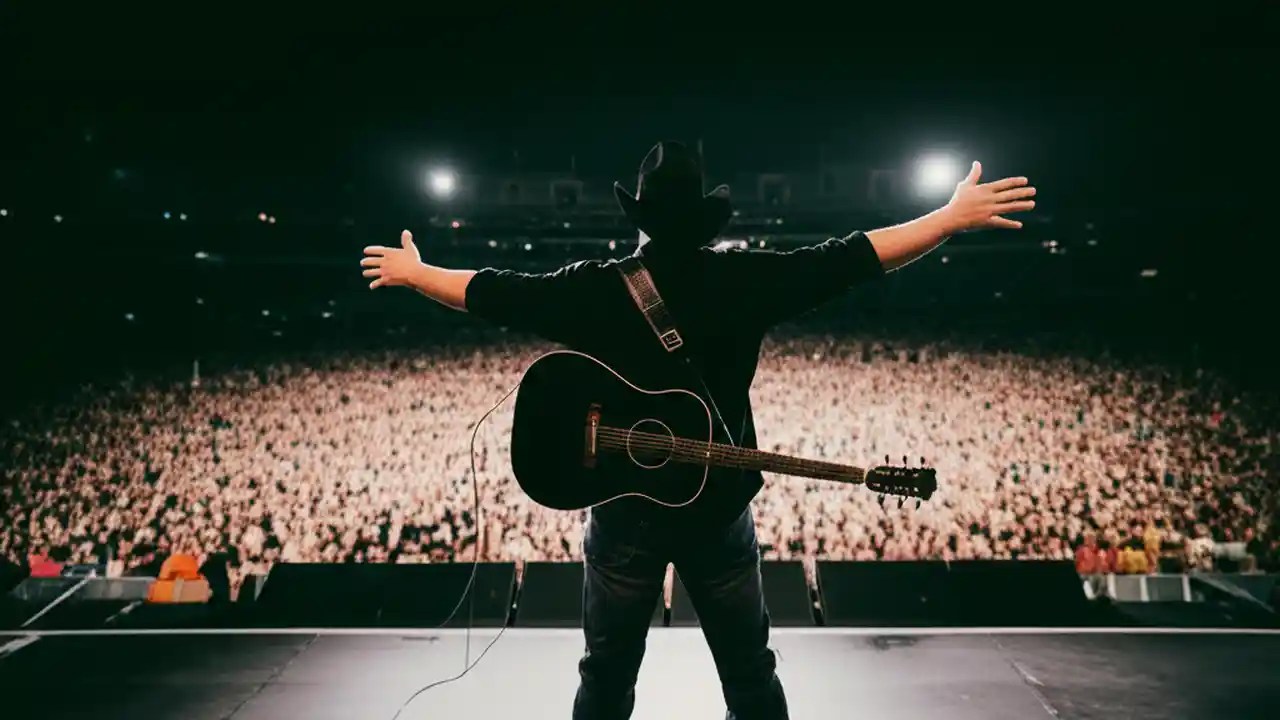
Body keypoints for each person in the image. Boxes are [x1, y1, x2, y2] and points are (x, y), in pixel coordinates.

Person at [360, 141, 1036, 720]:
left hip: (623, 513)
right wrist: (947, 219)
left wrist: (417, 274)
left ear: (642, 219)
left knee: (604, 676)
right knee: (749, 672)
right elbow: (854, 258)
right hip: (718, 512)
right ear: (708, 221)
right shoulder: (745, 279)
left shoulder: (596, 287)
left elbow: (493, 291)